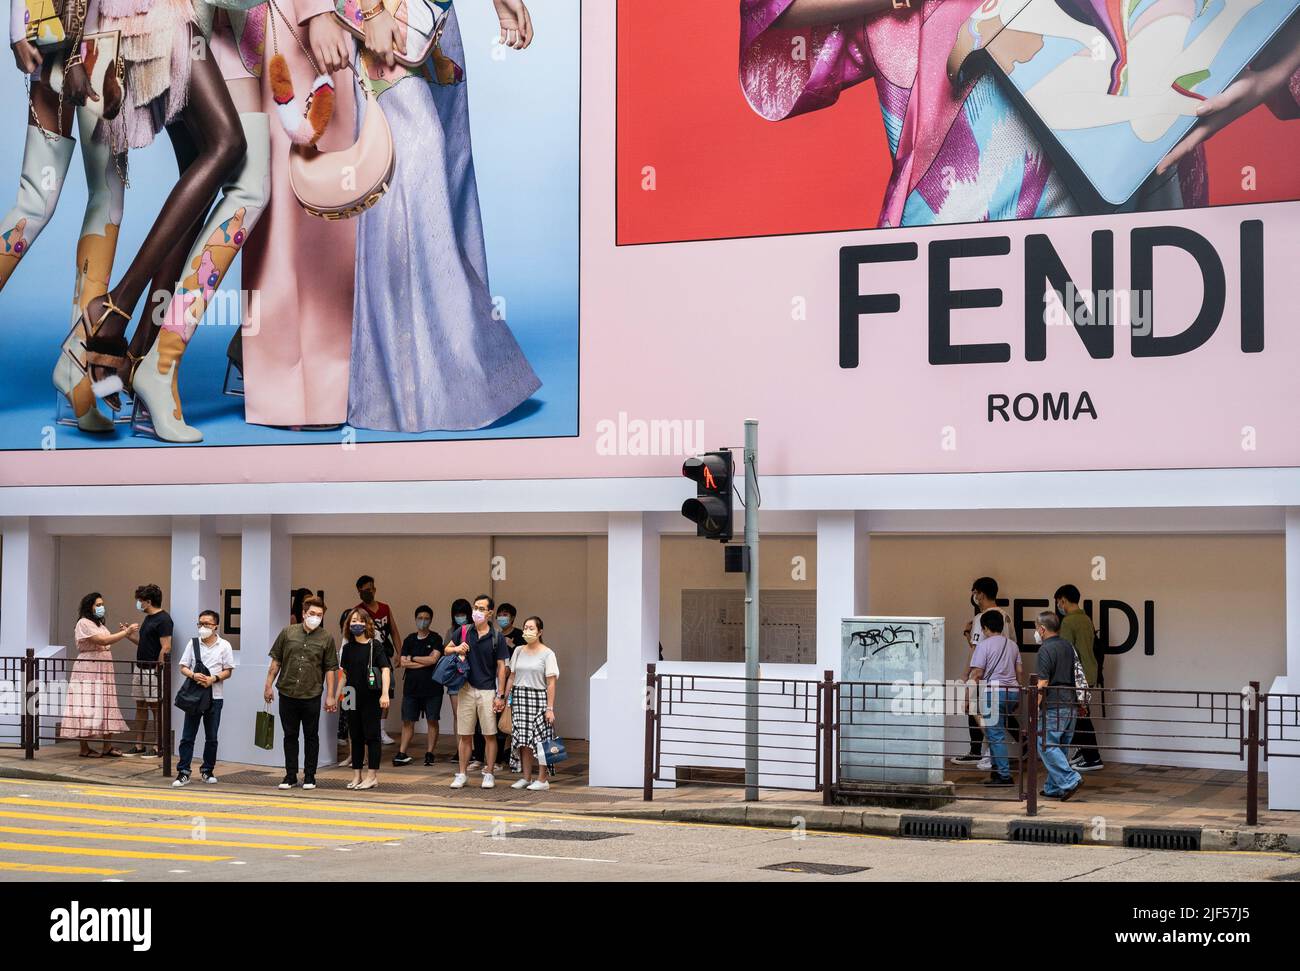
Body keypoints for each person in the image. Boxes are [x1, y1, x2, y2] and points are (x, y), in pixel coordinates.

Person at [740, 1, 1300, 229]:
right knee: (948, 430)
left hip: (1136, 160)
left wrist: (1285, 47)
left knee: (1147, 421)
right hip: (964, 209)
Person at [344, 0, 541, 433]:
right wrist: (372, 9)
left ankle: (463, 370)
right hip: (383, 13)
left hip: (435, 16)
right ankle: (407, 388)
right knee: (412, 163)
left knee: (451, 176)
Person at [4, 4, 126, 433]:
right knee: (78, 200)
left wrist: (19, 28)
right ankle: (75, 371)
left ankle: (77, 366)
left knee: (96, 199)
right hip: (76, 41)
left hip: (96, 41)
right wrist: (21, 29)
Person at [264, 595, 339, 790]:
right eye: (312, 613)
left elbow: (330, 668)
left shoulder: (326, 638)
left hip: (311, 694)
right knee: (290, 735)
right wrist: (268, 685)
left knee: (311, 736)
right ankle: (290, 776)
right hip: (287, 691)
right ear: (304, 613)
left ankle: (310, 776)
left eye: (319, 615)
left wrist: (331, 695)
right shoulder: (287, 633)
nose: (315, 617)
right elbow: (276, 661)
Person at [445, 594, 509, 789]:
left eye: (481, 609)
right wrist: (457, 649)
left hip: (488, 691)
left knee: (490, 734)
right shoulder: (463, 632)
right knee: (465, 734)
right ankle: (462, 773)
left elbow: (501, 667)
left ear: (490, 613)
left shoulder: (497, 637)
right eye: (475, 608)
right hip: (465, 689)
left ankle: (488, 773)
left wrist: (500, 694)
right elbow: (446, 649)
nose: (477, 612)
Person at [59, 592, 133, 757]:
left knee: (106, 702)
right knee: (86, 704)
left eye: (102, 604)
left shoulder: (99, 624)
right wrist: (125, 633)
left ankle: (107, 746)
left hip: (103, 668)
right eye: (98, 605)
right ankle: (84, 748)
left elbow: (106, 639)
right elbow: (102, 641)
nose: (101, 608)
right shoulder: (83, 623)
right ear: (89, 606)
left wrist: (123, 632)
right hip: (88, 669)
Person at [953, 576, 1015, 768]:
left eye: (975, 592)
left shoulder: (982, 618)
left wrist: (966, 676)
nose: (974, 596)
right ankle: (1024, 745)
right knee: (999, 713)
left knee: (974, 709)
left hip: (984, 674)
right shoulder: (1006, 616)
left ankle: (977, 751)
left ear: (980, 594)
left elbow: (977, 649)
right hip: (1005, 674)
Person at [173, 609, 235, 786]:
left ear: (216, 626)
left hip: (215, 696)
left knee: (212, 736)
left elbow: (228, 670)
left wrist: (213, 679)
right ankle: (183, 771)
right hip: (194, 696)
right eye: (200, 623)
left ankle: (208, 770)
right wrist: (193, 675)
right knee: (188, 735)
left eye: (207, 624)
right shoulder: (193, 644)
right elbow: (183, 666)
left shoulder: (224, 645)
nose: (203, 627)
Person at [336, 608, 391, 790]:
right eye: (353, 621)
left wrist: (384, 694)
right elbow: (343, 675)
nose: (356, 624)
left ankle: (372, 775)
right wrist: (336, 696)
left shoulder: (375, 645)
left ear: (367, 623)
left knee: (372, 736)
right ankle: (357, 775)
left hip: (370, 695)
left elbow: (385, 669)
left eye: (360, 621)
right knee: (355, 735)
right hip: (351, 694)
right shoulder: (347, 648)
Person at [965, 610, 1021, 788]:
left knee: (995, 735)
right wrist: (1018, 692)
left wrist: (967, 698)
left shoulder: (984, 646)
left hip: (993, 693)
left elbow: (977, 673)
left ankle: (1004, 776)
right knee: (994, 732)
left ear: (985, 628)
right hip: (1011, 692)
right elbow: (1019, 670)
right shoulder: (1012, 645)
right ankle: (996, 771)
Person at [1032, 610, 1082, 801]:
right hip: (1071, 703)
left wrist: (1033, 708)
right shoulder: (1068, 646)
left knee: (1045, 745)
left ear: (1042, 629)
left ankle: (1070, 780)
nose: (1036, 632)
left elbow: (1042, 683)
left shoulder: (1045, 649)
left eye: (1036, 628)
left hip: (1053, 704)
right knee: (1060, 746)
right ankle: (1054, 787)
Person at [504, 616, 558, 791]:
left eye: (531, 628)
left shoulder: (547, 653)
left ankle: (543, 779)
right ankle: (526, 777)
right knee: (523, 739)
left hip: (539, 698)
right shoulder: (518, 650)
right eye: (525, 628)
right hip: (520, 698)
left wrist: (550, 708)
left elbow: (551, 682)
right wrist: (504, 698)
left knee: (542, 740)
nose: (527, 631)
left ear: (540, 631)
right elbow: (511, 676)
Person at [1055, 583, 1103, 772]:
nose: (1059, 606)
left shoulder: (1069, 622)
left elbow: (1066, 651)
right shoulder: (1086, 619)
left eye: (1059, 602)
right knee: (1081, 714)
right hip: (1090, 671)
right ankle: (1086, 753)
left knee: (1079, 717)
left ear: (1063, 600)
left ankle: (1092, 757)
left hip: (1076, 675)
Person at [123, 583, 171, 756]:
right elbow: (144, 643)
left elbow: (165, 647)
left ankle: (159, 745)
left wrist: (158, 669)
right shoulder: (148, 619)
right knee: (140, 705)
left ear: (148, 601)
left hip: (152, 669)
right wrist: (129, 636)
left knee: (155, 707)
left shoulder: (164, 619)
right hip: (140, 667)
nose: (138, 604)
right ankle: (139, 744)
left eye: (140, 601)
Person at [395, 604, 444, 766]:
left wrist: (413, 658)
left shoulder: (436, 638)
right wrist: (424, 660)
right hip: (411, 688)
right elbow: (403, 663)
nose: (423, 621)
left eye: (426, 618)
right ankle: (402, 752)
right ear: (415, 619)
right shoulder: (409, 639)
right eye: (420, 618)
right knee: (408, 721)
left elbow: (434, 660)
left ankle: (429, 753)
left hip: (432, 688)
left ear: (431, 620)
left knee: (432, 720)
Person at [354, 574, 398, 743]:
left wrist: (399, 653)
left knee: (386, 690)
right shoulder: (358, 610)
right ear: (359, 592)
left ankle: (381, 730)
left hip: (384, 656)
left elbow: (394, 631)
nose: (369, 592)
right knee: (370, 691)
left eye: (371, 589)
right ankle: (369, 729)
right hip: (367, 658)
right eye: (365, 590)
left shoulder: (385, 608)